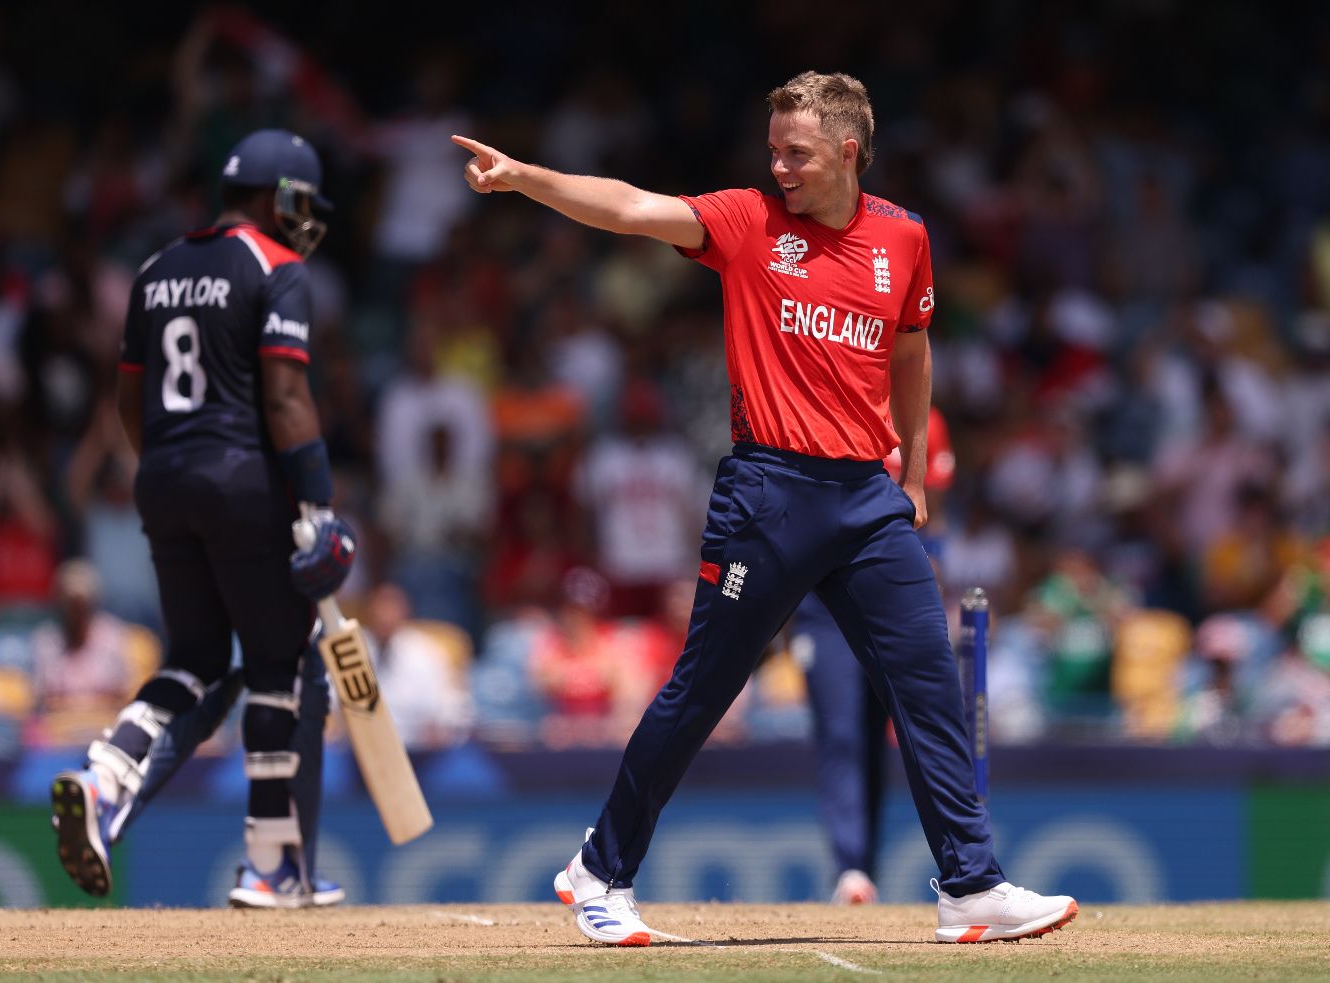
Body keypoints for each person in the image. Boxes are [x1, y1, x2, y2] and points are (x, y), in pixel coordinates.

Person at [455, 70, 1078, 945]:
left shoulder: (904, 237)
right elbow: (632, 208)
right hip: (768, 495)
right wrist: (526, 178)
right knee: (704, 688)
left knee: (928, 679)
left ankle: (971, 885)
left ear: (849, 151)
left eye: (798, 152)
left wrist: (914, 476)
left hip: (867, 497)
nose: (779, 166)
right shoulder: (748, 221)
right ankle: (598, 869)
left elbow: (912, 349)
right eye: (774, 149)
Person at [49, 129, 357, 909]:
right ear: (278, 194)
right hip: (243, 480)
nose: (306, 220)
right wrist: (318, 506)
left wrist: (172, 467)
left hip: (162, 476)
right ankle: (269, 864)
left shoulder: (153, 271)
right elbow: (287, 398)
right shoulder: (275, 269)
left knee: (192, 656)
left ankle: (104, 771)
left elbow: (127, 398)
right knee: (277, 661)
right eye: (301, 203)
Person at [791, 405, 955, 906]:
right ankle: (850, 869)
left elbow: (934, 499)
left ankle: (867, 867)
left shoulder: (926, 418)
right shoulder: (826, 405)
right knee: (840, 732)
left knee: (880, 735)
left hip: (890, 586)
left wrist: (928, 570)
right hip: (822, 594)